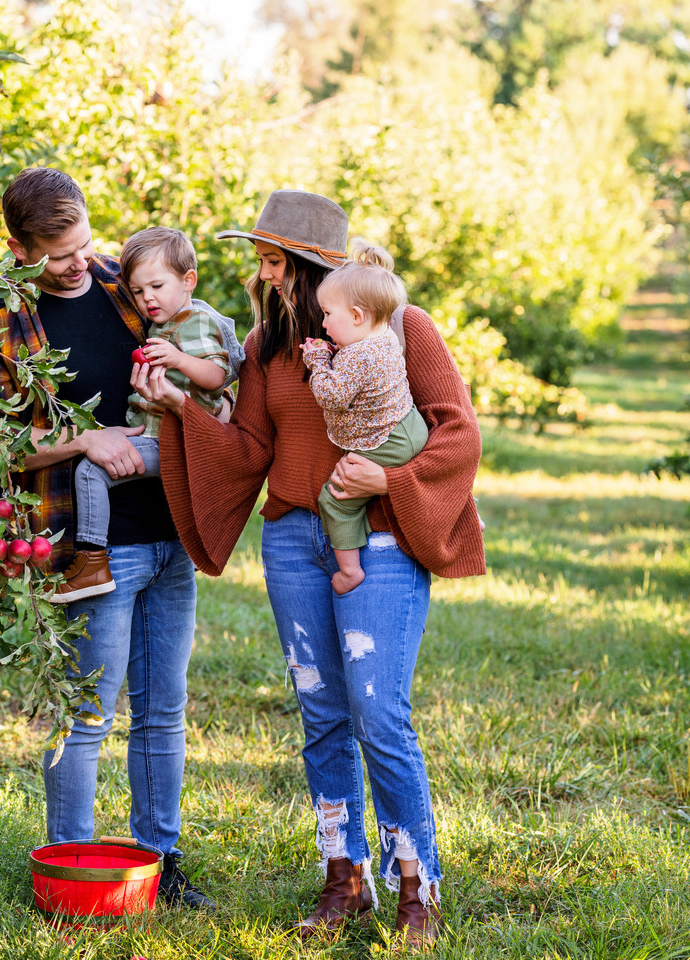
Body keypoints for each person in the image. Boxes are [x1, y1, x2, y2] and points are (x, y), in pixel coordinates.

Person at [132, 189, 485, 949]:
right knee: (322, 718)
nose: (261, 276)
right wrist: (179, 411)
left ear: (314, 267)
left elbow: (457, 433)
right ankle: (343, 877)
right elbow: (253, 449)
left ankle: (417, 886)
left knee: (378, 716)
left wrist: (389, 481)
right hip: (295, 540)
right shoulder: (265, 347)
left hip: (381, 541)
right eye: (260, 261)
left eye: (272, 262)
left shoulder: (399, 326)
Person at [0, 167, 212, 908]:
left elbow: (197, 351)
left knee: (163, 709)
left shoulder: (123, 285)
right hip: (86, 548)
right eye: (59, 254)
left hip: (167, 533)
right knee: (87, 713)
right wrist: (82, 439)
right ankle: (69, 868)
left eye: (84, 244)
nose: (80, 263)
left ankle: (159, 862)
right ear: (17, 246)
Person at [55, 226, 236, 604]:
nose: (147, 298)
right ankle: (94, 560)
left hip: (168, 439)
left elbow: (218, 376)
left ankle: (90, 561)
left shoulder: (196, 322)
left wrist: (178, 359)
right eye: (137, 292)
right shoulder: (162, 323)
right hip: (152, 433)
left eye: (156, 287)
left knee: (91, 471)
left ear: (189, 281)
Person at [301, 239, 427, 596]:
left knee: (335, 498)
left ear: (357, 316)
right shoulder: (383, 337)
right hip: (410, 425)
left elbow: (333, 397)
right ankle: (467, 511)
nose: (323, 323)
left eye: (327, 314)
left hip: (384, 441)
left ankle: (350, 571)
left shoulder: (356, 356)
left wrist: (317, 361)